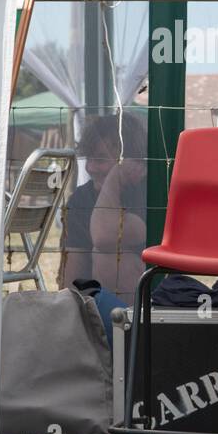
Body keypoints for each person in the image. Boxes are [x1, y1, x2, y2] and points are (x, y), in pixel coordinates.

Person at [58, 112, 149, 303]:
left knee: (106, 257)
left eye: (99, 160)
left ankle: (129, 332)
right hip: (99, 308)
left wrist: (114, 180)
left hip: (151, 306)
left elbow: (105, 237)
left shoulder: (147, 193)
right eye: (88, 159)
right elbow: (71, 279)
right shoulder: (81, 199)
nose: (90, 168)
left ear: (130, 161)